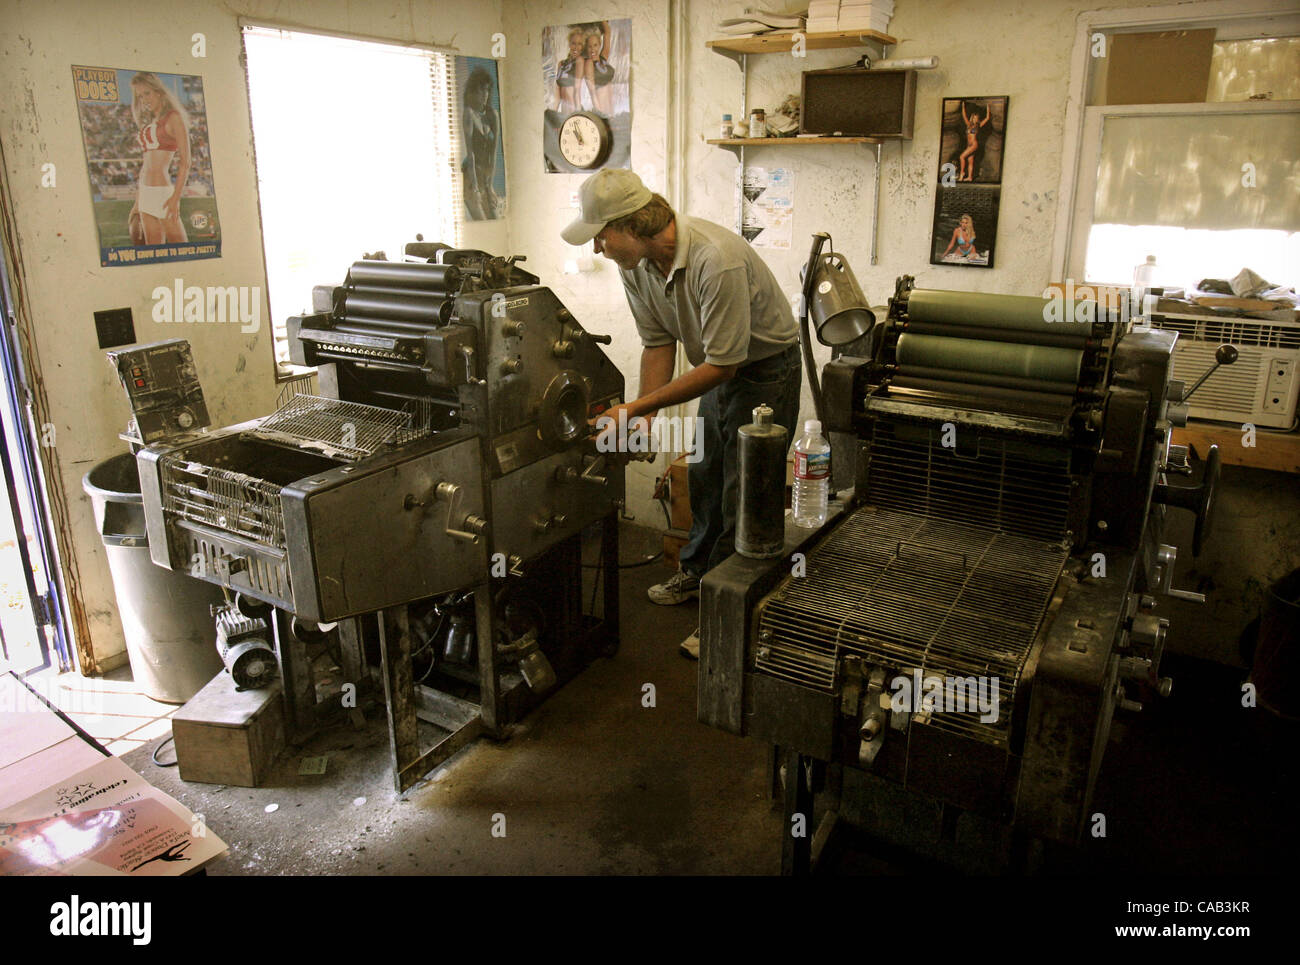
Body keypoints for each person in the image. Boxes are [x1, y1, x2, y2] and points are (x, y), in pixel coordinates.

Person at [561, 169, 801, 626]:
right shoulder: (635, 266)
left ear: (631, 226)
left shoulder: (717, 259)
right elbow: (657, 344)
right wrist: (643, 420)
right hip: (719, 370)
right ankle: (697, 573)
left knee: (743, 490)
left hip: (766, 371)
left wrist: (634, 408)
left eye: (600, 236)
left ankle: (729, 614)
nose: (597, 248)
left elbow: (724, 365)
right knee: (705, 474)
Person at [128, 72, 190, 245]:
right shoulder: (151, 122)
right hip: (145, 193)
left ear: (158, 91)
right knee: (153, 253)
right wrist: (138, 202)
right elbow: (146, 166)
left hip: (162, 194)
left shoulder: (174, 117)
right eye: (140, 96)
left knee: (183, 250)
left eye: (147, 93)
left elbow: (186, 162)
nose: (144, 100)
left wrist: (175, 199)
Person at [461, 66, 501, 221]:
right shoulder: (469, 114)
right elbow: (470, 153)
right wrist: (476, 187)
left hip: (485, 175)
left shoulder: (492, 115)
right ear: (473, 91)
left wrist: (489, 185)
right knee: (482, 221)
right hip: (471, 174)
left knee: (495, 218)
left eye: (487, 90)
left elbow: (494, 152)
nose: (485, 95)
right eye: (481, 90)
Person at [583, 22, 615, 115]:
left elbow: (607, 33)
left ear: (600, 44)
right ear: (586, 47)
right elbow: (592, 92)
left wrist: (602, 18)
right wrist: (600, 112)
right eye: (589, 46)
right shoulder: (589, 63)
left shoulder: (603, 58)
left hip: (611, 109)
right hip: (601, 109)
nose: (592, 49)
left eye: (595, 45)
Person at [556, 28, 586, 113]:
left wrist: (578, 112)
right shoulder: (561, 64)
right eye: (573, 43)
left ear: (582, 46)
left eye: (579, 44)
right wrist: (554, 112)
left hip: (574, 108)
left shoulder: (579, 61)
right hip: (563, 109)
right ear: (569, 44)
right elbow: (557, 92)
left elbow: (577, 89)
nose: (576, 47)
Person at [958, 101, 989, 182]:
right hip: (968, 145)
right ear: (972, 117)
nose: (975, 119)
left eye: (976, 118)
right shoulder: (968, 124)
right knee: (970, 161)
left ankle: (962, 174)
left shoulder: (979, 125)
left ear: (978, 119)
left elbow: (987, 118)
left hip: (974, 145)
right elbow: (964, 115)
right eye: (974, 117)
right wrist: (963, 107)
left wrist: (988, 107)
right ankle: (970, 177)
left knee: (961, 157)